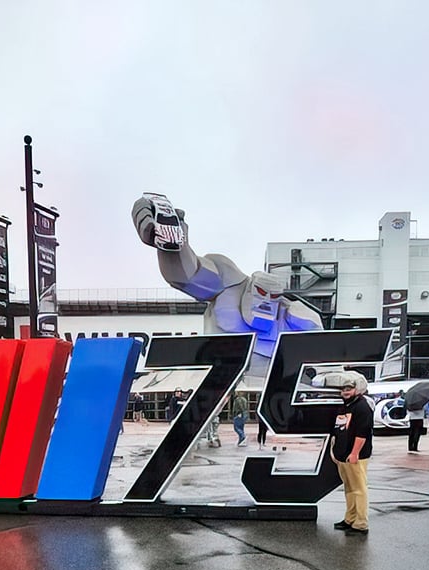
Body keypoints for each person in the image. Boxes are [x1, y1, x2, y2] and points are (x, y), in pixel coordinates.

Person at [132, 196, 323, 377]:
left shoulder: (294, 316)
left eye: (274, 297)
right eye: (262, 293)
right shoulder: (229, 284)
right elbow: (188, 275)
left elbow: (323, 360)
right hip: (224, 383)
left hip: (273, 391)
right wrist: (172, 242)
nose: (266, 303)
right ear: (251, 288)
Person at [330, 375, 373, 536]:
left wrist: (355, 453)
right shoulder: (345, 406)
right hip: (343, 455)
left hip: (356, 456)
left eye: (349, 389)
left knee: (359, 489)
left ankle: (361, 522)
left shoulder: (362, 407)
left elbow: (363, 433)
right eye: (343, 389)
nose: (345, 392)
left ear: (357, 389)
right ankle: (350, 518)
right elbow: (338, 429)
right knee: (349, 488)